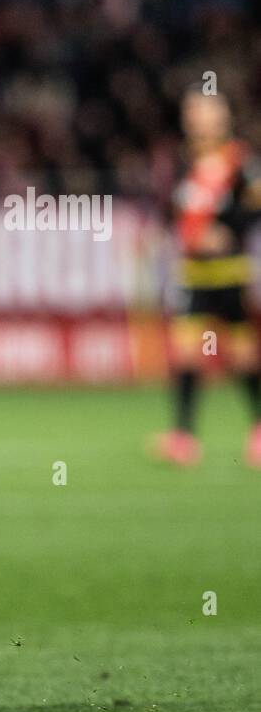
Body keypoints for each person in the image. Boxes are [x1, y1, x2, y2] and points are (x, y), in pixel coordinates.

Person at [151, 90, 261, 467]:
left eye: (206, 112)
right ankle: (183, 436)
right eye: (193, 113)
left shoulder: (241, 163)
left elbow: (253, 208)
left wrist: (229, 231)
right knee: (184, 354)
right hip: (192, 273)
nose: (198, 119)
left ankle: (258, 431)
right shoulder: (183, 164)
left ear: (223, 117)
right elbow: (174, 211)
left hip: (230, 272)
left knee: (244, 356)